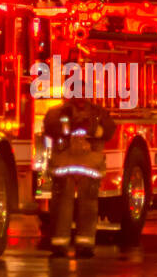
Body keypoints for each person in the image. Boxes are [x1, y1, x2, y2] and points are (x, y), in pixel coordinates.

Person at [42, 97, 116, 257]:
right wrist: (94, 131)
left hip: (66, 167)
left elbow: (49, 128)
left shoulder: (57, 112)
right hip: (88, 167)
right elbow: (109, 131)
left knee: (63, 206)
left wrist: (68, 128)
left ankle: (61, 245)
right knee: (86, 206)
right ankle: (84, 245)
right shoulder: (97, 113)